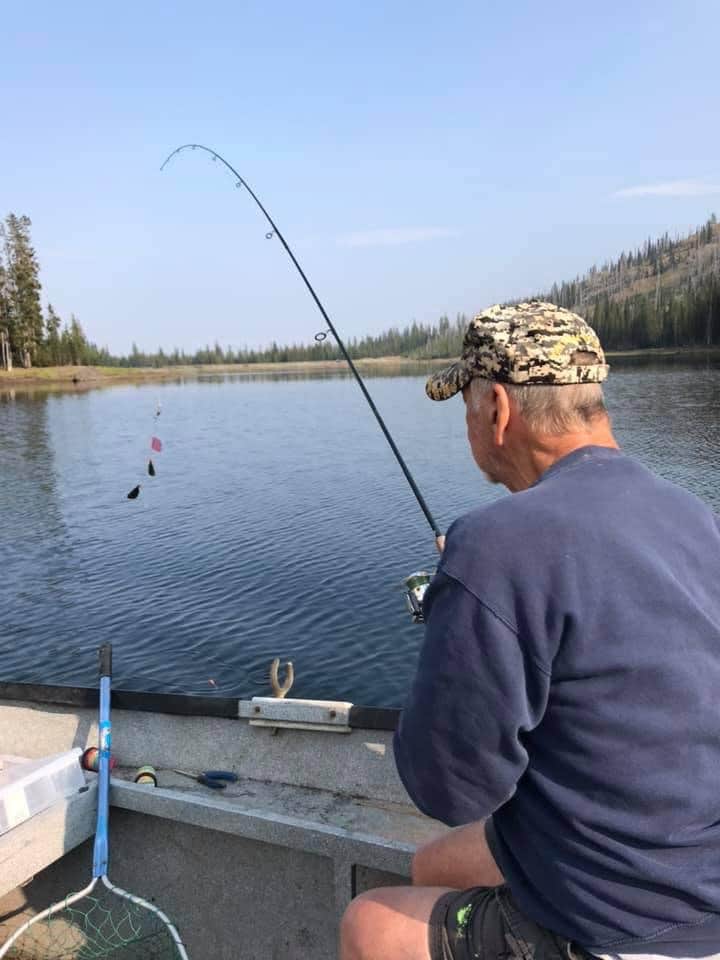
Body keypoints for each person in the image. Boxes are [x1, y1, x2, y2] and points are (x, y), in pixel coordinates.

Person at [340, 301, 720, 960]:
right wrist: (478, 599)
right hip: (696, 868)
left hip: (628, 927)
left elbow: (447, 788)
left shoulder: (494, 547)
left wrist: (461, 607)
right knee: (435, 865)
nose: (467, 424)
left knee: (369, 923)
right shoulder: (693, 516)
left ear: (497, 411)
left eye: (464, 406)